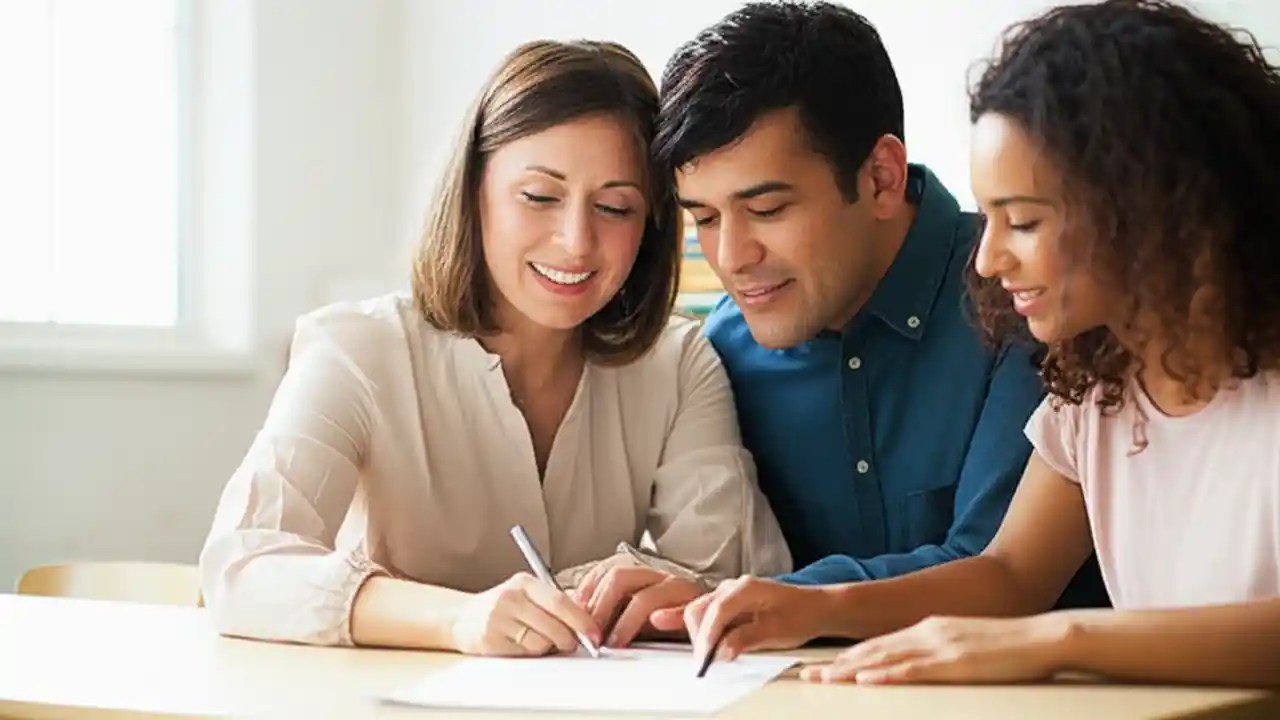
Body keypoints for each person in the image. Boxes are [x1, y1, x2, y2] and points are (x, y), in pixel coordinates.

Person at [680, 0, 1280, 687]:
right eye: (988, 216)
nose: (988, 259)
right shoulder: (1097, 393)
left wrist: (1062, 640)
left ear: (1150, 205)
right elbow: (1008, 574)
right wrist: (808, 606)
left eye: (1021, 221)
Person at [198, 39, 790, 657]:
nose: (576, 242)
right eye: (539, 197)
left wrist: (678, 589)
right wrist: (457, 619)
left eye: (615, 207)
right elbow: (243, 568)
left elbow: (739, 576)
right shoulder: (357, 349)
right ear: (474, 189)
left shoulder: (679, 363)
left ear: (651, 227)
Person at [576, 1, 1106, 650]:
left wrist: (776, 602)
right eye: (705, 219)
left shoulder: (1029, 303)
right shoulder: (719, 354)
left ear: (880, 177)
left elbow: (998, 572)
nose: (732, 258)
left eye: (766, 208)